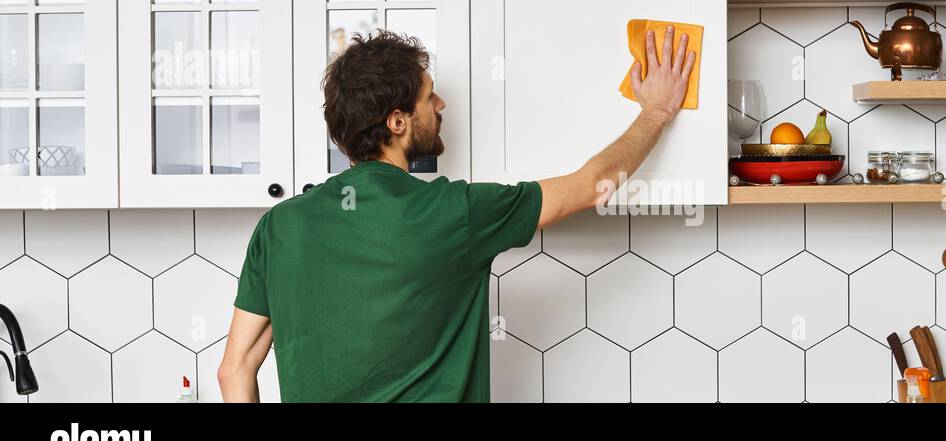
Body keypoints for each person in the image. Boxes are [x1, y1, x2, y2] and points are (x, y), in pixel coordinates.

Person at [217, 27, 696, 402]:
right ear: (398, 122)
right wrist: (655, 111)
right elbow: (593, 185)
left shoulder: (280, 227)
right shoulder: (456, 212)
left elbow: (234, 369)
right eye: (429, 97)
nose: (441, 105)